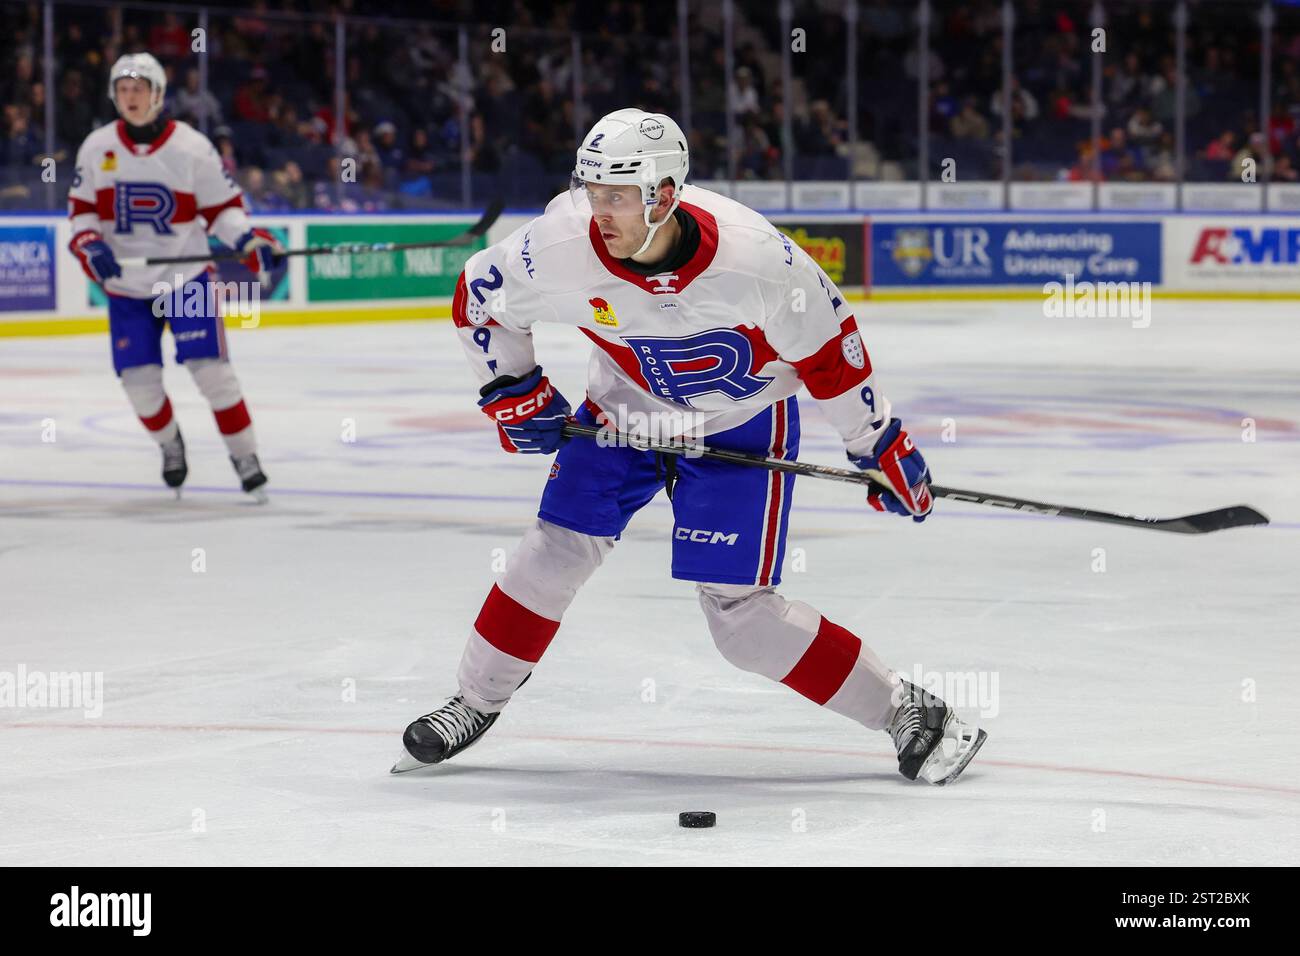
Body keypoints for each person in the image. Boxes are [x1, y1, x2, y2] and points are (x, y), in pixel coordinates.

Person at [395, 109, 987, 786]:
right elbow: (480, 297)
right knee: (551, 552)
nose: (599, 212)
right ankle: (474, 701)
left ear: (666, 195)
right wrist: (513, 389)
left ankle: (908, 711)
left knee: (742, 621)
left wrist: (877, 444)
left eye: (616, 196)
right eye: (592, 191)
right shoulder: (558, 244)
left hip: (742, 420)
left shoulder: (758, 260)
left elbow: (833, 357)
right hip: (624, 412)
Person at [66, 52, 283, 499]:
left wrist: (246, 240)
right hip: (126, 289)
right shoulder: (96, 147)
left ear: (158, 94)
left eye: (139, 89)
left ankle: (245, 455)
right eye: (122, 90)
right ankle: (170, 444)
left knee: (214, 375)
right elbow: (82, 215)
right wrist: (91, 246)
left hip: (185, 282)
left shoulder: (191, 147)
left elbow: (224, 210)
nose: (130, 97)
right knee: (139, 386)